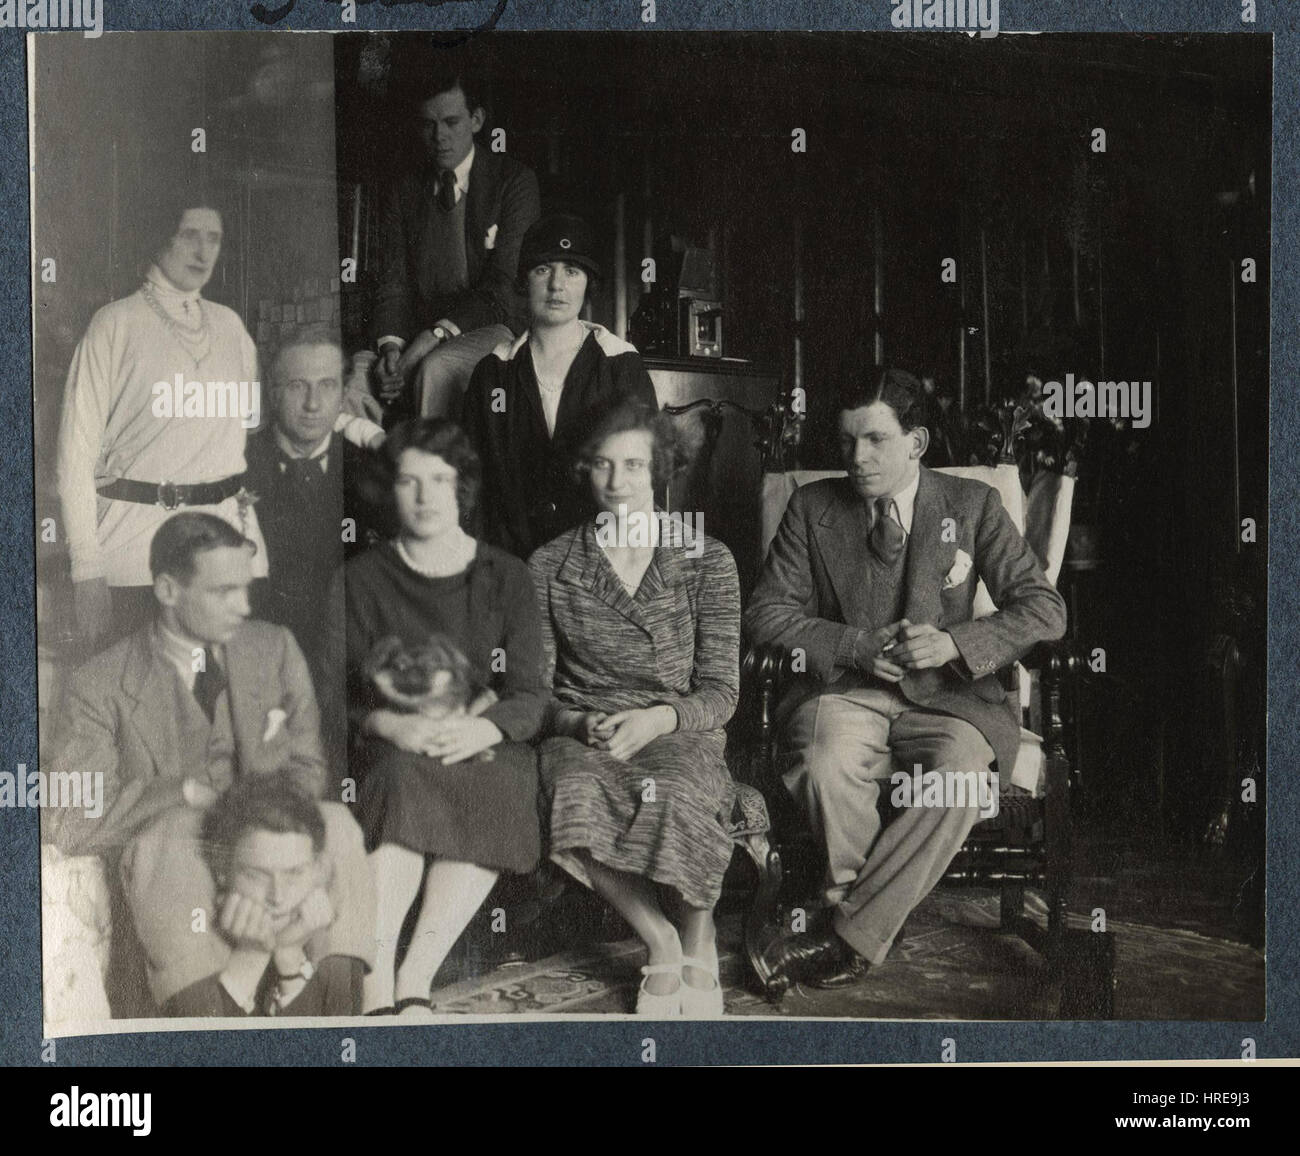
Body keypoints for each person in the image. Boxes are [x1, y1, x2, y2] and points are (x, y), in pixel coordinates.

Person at [744, 368, 1068, 989]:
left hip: (952, 700)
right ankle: (860, 924)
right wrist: (856, 646)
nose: (855, 458)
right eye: (845, 442)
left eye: (875, 441)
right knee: (821, 757)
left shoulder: (972, 505)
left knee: (961, 780)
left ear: (915, 443)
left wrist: (954, 641)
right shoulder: (812, 508)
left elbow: (1045, 609)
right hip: (843, 691)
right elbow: (766, 616)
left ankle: (842, 932)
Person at [42, 512, 376, 1016]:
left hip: (265, 833)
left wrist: (249, 821)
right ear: (168, 590)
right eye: (223, 592)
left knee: (339, 825)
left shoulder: (274, 647)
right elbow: (70, 823)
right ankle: (205, 1026)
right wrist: (187, 792)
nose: (244, 606)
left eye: (245, 588)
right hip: (175, 853)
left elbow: (308, 771)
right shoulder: (97, 684)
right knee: (170, 836)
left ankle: (331, 1015)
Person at [323, 418, 548, 1018]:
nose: (424, 497)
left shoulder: (507, 575)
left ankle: (415, 979)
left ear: (462, 487)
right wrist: (386, 725)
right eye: (408, 481)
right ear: (387, 489)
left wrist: (485, 726)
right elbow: (329, 699)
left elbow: (529, 693)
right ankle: (373, 988)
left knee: (499, 780)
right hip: (390, 744)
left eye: (440, 480)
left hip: (481, 740)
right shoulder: (358, 579)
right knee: (400, 779)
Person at [529, 400, 741, 1017]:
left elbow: (722, 693)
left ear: (661, 470)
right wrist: (575, 723)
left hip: (678, 725)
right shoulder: (550, 565)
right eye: (601, 464)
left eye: (633, 464)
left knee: (679, 791)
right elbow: (536, 695)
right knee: (567, 790)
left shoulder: (709, 559)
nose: (617, 481)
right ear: (583, 471)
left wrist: (658, 719)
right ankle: (661, 938)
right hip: (587, 730)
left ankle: (700, 938)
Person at [55, 191, 268, 649]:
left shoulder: (231, 327)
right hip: (137, 556)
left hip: (227, 554)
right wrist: (86, 568)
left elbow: (247, 430)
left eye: (214, 238)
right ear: (158, 239)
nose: (203, 250)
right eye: (190, 235)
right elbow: (75, 457)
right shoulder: (113, 325)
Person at [461, 212, 659, 559]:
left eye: (572, 271)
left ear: (588, 282)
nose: (557, 285)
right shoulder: (493, 374)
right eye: (543, 270)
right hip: (511, 568)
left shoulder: (620, 365)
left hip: (601, 564)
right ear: (525, 281)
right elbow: (471, 487)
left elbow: (647, 479)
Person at [370, 68, 540, 421]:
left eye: (451, 122)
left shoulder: (514, 182)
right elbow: (394, 282)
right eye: (428, 125)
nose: (439, 137)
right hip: (415, 330)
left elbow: (503, 286)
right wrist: (391, 347)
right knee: (356, 378)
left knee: (438, 369)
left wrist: (432, 337)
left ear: (476, 120)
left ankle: (430, 473)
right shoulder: (405, 189)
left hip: (494, 326)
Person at [244, 323, 388, 676]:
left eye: (326, 386)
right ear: (273, 393)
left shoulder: (371, 469)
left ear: (342, 395)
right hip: (260, 658)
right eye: (297, 386)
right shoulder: (239, 465)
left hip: (349, 663)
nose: (312, 404)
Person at [173, 773, 364, 1017]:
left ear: (316, 870)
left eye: (294, 873)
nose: (278, 897)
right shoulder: (195, 931)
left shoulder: (324, 934)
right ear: (222, 870)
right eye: (257, 875)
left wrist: (289, 954)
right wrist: (251, 955)